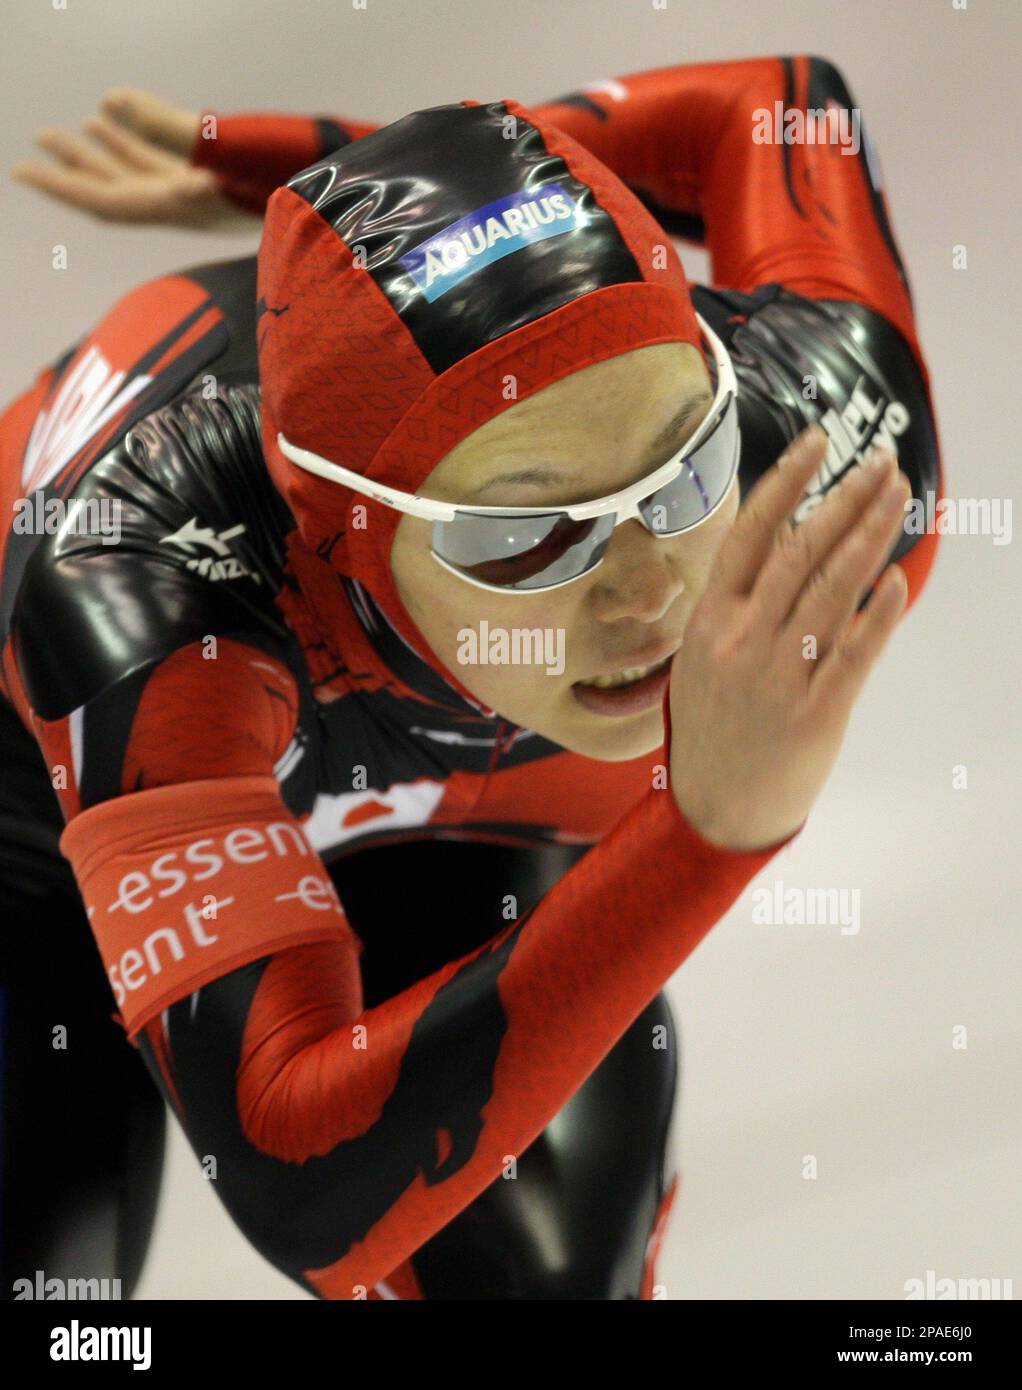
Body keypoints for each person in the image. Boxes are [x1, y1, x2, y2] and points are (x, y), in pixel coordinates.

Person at [1, 55, 942, 1300]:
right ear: (340, 531)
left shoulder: (829, 447)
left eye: (684, 471)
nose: (651, 595)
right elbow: (305, 1187)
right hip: (46, 793)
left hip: (455, 816)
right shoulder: (159, 598)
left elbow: (778, 98)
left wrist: (333, 181)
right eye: (526, 534)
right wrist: (707, 836)